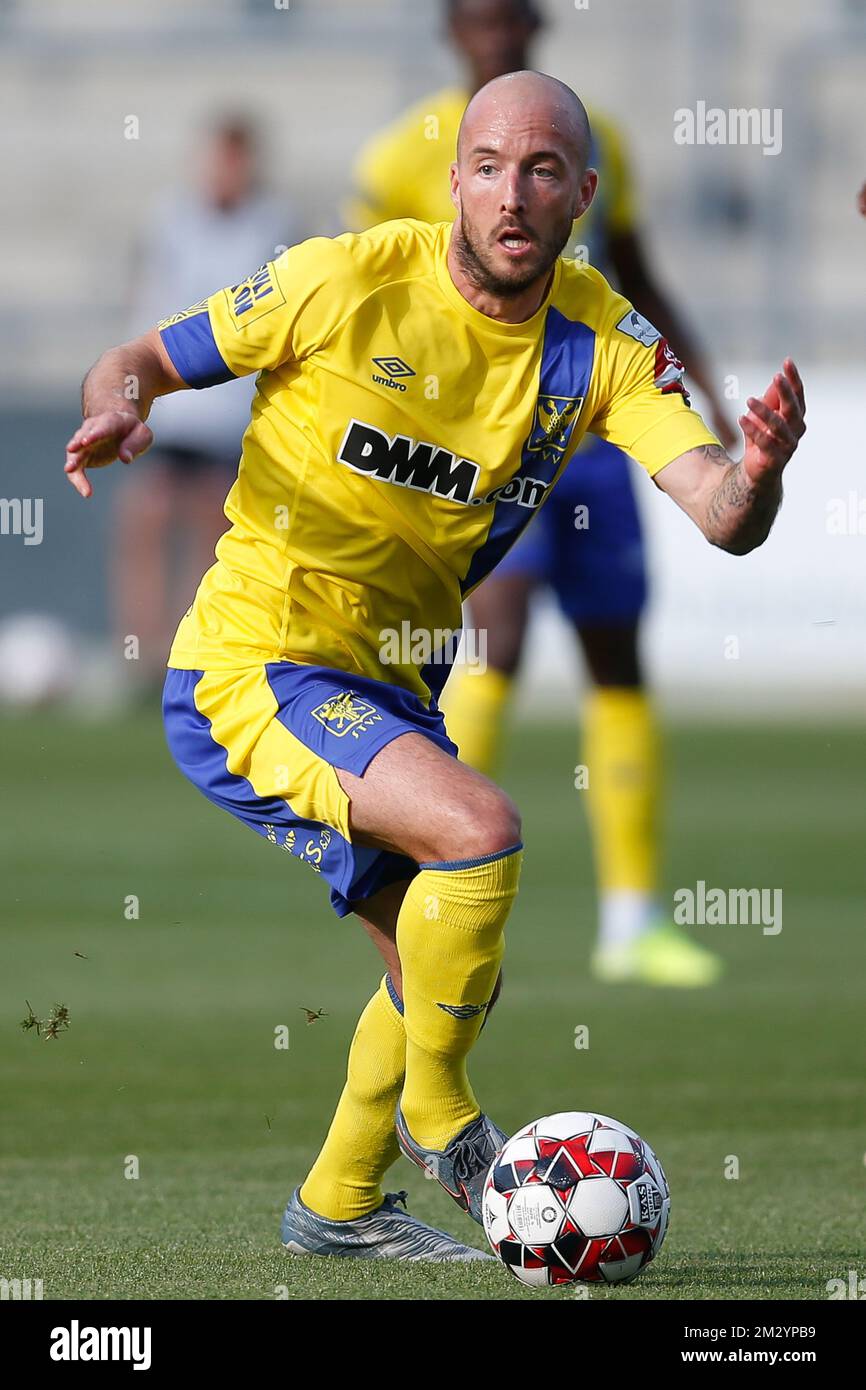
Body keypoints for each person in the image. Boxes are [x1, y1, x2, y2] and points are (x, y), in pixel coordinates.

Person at [65, 72, 805, 1262]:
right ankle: (440, 1116)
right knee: (477, 828)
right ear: (453, 176)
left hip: (387, 686)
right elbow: (138, 359)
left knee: (440, 969)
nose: (512, 196)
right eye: (488, 167)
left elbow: (719, 512)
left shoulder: (603, 341)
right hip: (254, 662)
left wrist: (756, 472)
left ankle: (340, 1204)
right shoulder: (342, 276)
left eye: (542, 172)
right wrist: (115, 411)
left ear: (583, 195)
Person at [348, 0, 739, 987]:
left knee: (615, 654)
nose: (495, 31)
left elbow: (635, 272)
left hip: (599, 431)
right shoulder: (402, 155)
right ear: (452, 31)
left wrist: (700, 387)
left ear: (532, 23)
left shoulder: (590, 135)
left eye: (508, 15)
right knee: (500, 640)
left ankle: (631, 919)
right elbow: (367, 303)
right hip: (484, 435)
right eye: (477, 18)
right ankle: (434, 873)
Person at [114, 115, 295, 690]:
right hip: (177, 412)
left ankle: (195, 657)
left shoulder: (274, 226)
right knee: (144, 519)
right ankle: (143, 654)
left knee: (211, 533)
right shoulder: (171, 219)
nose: (226, 172)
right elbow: (148, 304)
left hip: (233, 415)